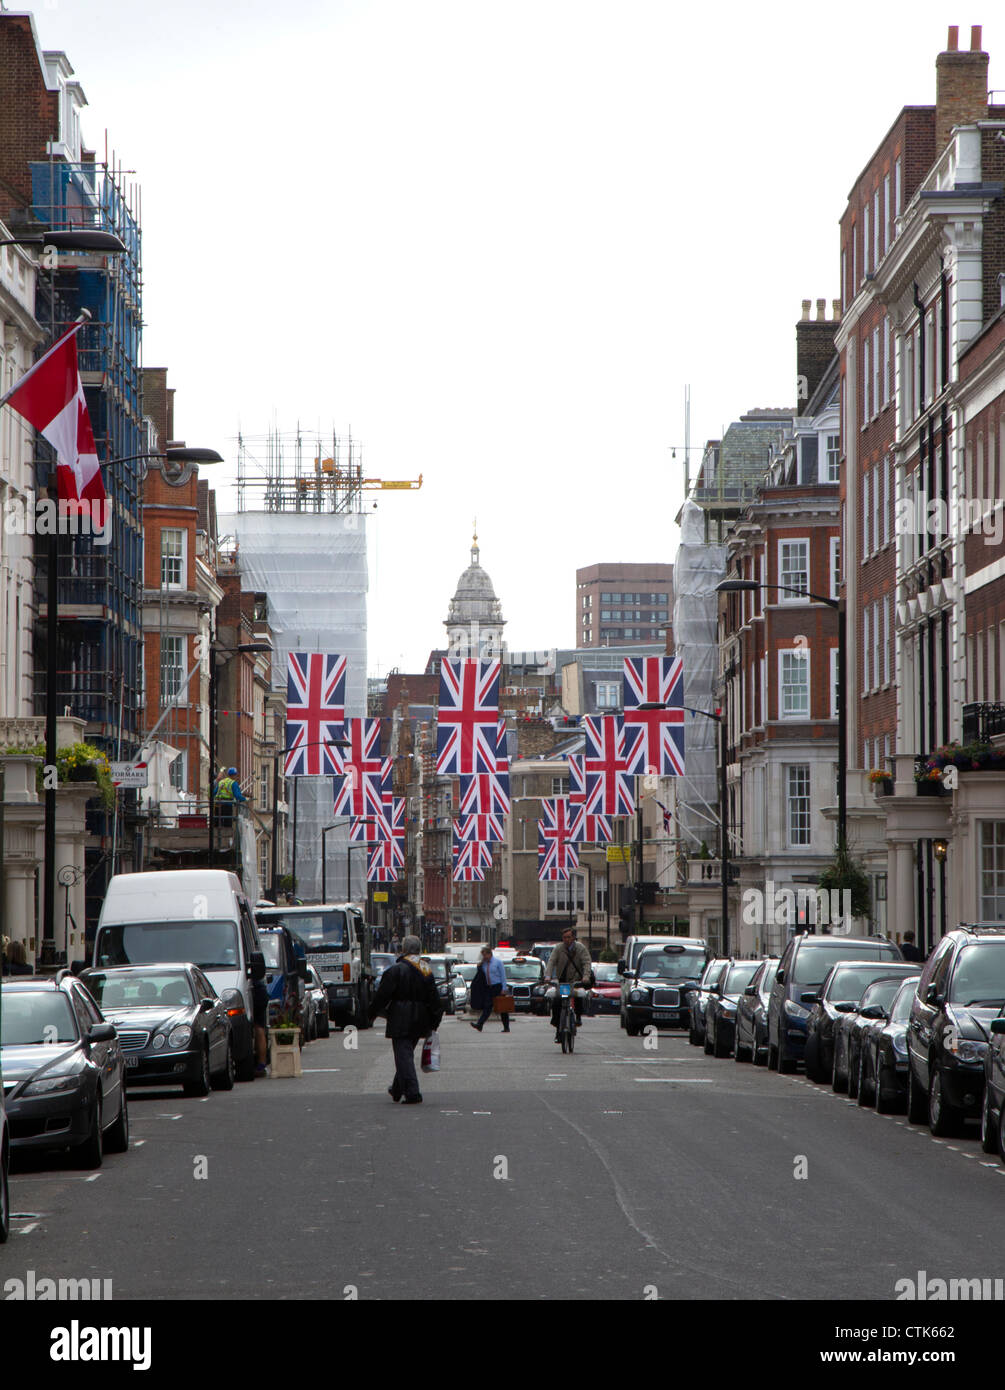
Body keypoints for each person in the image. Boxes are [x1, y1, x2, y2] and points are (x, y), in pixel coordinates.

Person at [369, 934, 443, 1104]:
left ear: (403, 949)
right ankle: (396, 1089)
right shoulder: (426, 969)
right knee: (406, 1054)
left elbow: (382, 996)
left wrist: (371, 1013)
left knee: (403, 1055)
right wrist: (434, 1021)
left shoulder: (396, 970)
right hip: (421, 1019)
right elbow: (435, 1000)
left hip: (400, 1017)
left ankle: (412, 1092)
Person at [544, 928, 593, 1041]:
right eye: (564, 937)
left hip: (576, 980)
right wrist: (548, 976)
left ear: (574, 937)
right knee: (557, 1002)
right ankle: (558, 1030)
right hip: (563, 980)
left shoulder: (580, 948)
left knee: (578, 997)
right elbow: (551, 962)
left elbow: (586, 963)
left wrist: (586, 976)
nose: (567, 939)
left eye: (569, 937)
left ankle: (578, 1016)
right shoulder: (558, 948)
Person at [469, 945, 511, 1033]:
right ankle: (479, 1024)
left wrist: (504, 988)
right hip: (489, 987)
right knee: (487, 1007)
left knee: (502, 1008)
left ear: (490, 954)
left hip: (498, 986)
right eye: (483, 956)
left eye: (485, 955)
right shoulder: (484, 964)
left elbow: (503, 976)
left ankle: (506, 1027)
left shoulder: (498, 962)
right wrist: (480, 963)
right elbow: (480, 973)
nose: (484, 957)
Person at [214, 766, 246, 830]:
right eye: (236, 775)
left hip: (218, 805)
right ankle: (227, 837)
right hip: (227, 805)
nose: (237, 777)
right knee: (227, 823)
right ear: (234, 775)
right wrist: (245, 799)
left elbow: (214, 792)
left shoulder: (221, 782)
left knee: (217, 823)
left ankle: (216, 836)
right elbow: (237, 796)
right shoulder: (233, 783)